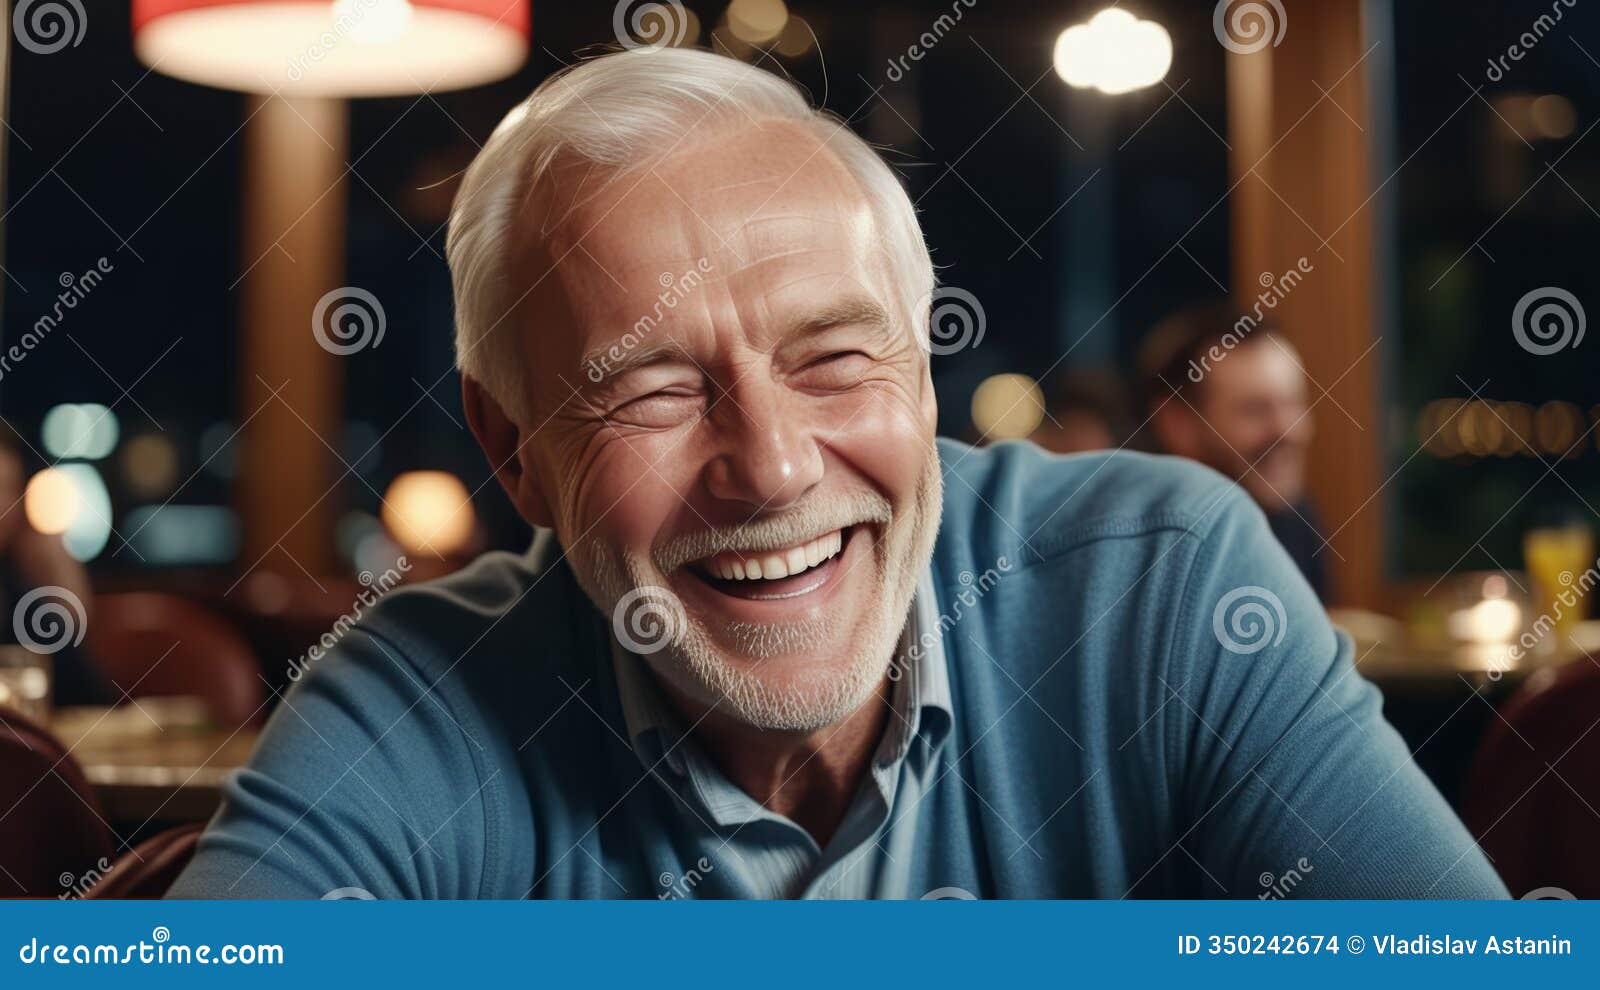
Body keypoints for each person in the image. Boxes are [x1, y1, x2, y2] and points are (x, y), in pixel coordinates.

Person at [171, 48, 1501, 899]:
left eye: (833, 359)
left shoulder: (1163, 582)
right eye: (652, 388)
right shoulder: (421, 696)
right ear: (512, 448)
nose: (771, 465)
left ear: (922, 377)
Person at [1138, 302, 1330, 601]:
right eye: (1254, 410)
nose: (1288, 430)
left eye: (1293, 403)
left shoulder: (1294, 521)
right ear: (1177, 424)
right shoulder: (1145, 552)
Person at [0, 432, 112, 707]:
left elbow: (87, 696)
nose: (3, 505)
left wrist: (57, 564)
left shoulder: (16, 590)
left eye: (9, 489)